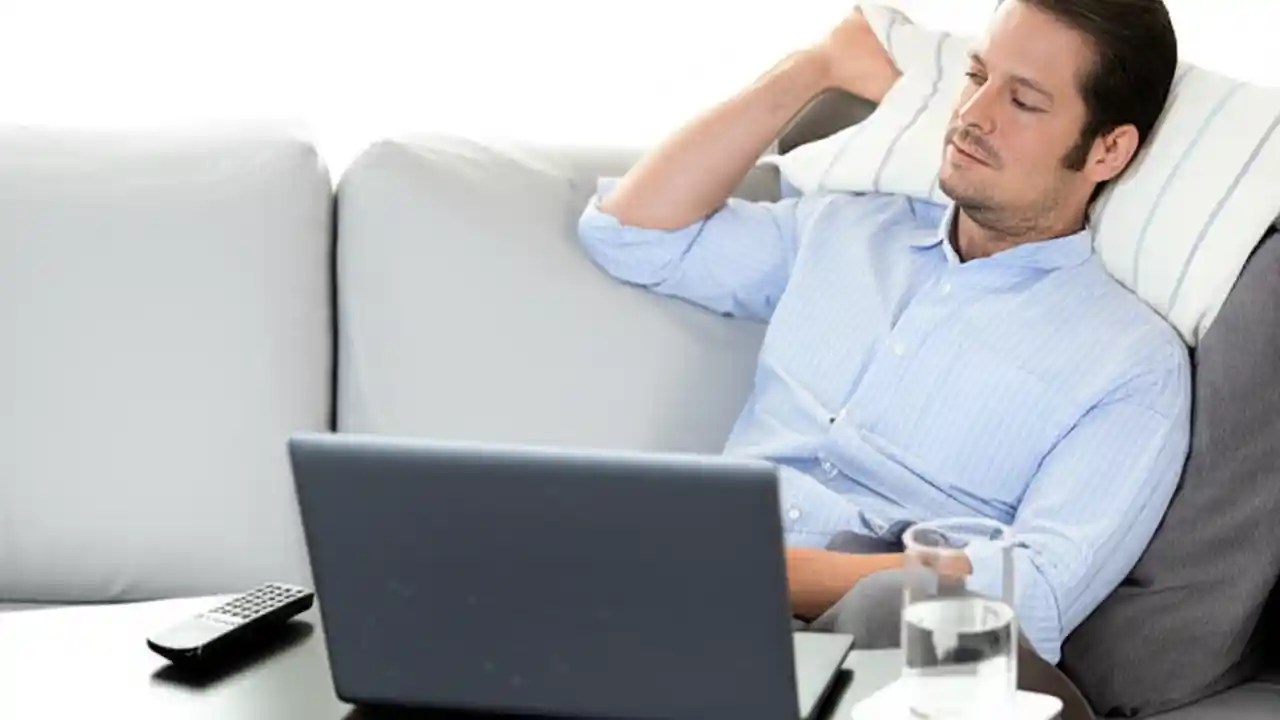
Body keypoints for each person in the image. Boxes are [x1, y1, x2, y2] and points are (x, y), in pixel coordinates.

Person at [577, 0, 1188, 666]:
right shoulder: (846, 231)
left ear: (1109, 149)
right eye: (976, 75)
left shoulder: (1130, 363)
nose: (973, 115)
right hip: (706, 593)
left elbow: (1034, 594)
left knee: (884, 609)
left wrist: (764, 570)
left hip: (893, 645)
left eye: (1024, 102)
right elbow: (630, 235)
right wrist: (811, 69)